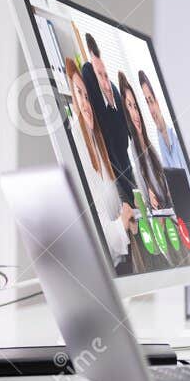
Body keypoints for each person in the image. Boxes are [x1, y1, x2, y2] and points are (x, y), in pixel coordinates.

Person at [67, 59, 135, 264]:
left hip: (122, 258)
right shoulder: (76, 149)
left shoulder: (98, 143)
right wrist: (122, 223)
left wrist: (128, 218)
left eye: (87, 96)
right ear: (72, 98)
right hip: (107, 267)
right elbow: (97, 235)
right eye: (79, 94)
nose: (86, 103)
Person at [79, 31, 135, 197]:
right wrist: (92, 60)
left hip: (128, 173)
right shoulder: (89, 75)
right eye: (99, 76)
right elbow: (88, 70)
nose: (105, 82)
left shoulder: (115, 95)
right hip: (114, 180)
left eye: (106, 75)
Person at [118, 71, 172, 212]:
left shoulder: (151, 147)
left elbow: (167, 183)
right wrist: (147, 195)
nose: (135, 114)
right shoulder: (134, 153)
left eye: (135, 106)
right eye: (129, 107)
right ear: (126, 113)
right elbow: (148, 204)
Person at [138, 70, 187, 171]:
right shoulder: (160, 139)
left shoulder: (176, 133)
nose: (150, 109)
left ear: (158, 100)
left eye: (151, 100)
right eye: (147, 102)